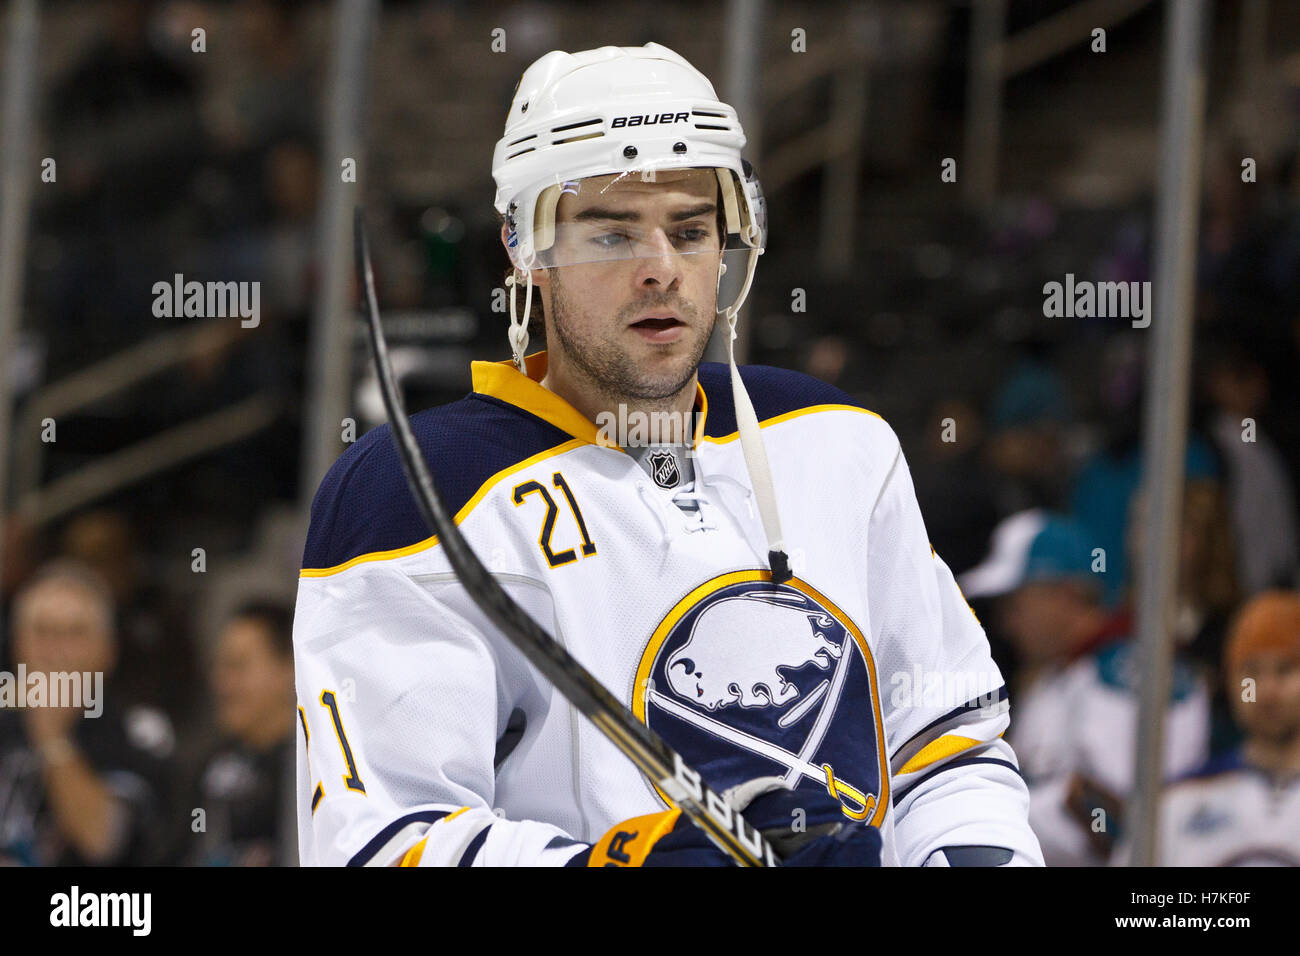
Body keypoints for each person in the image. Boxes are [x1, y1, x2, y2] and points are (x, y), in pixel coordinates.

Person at [293, 43, 1042, 867]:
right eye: (612, 235)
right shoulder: (419, 491)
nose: (662, 271)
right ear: (525, 250)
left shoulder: (833, 439)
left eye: (690, 231)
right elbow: (384, 840)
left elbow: (944, 740)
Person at [960, 510, 1208, 866]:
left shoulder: (1129, 671)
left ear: (1066, 593)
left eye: (1014, 604)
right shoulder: (1053, 677)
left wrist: (989, 815)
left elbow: (1114, 821)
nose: (1006, 623)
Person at [0, 561, 174, 866]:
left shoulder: (139, 729)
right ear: (17, 646)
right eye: (42, 632)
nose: (56, 651)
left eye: (74, 633)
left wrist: (52, 736)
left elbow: (103, 840)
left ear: (108, 650)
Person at [1154, 590, 1300, 866]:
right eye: (1251, 673)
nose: (1266, 690)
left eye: (1285, 669)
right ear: (1231, 683)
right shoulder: (1179, 799)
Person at [182, 602, 298, 866]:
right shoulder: (209, 769)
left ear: (289, 669)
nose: (222, 683)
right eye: (219, 667)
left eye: (237, 666)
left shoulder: (321, 770)